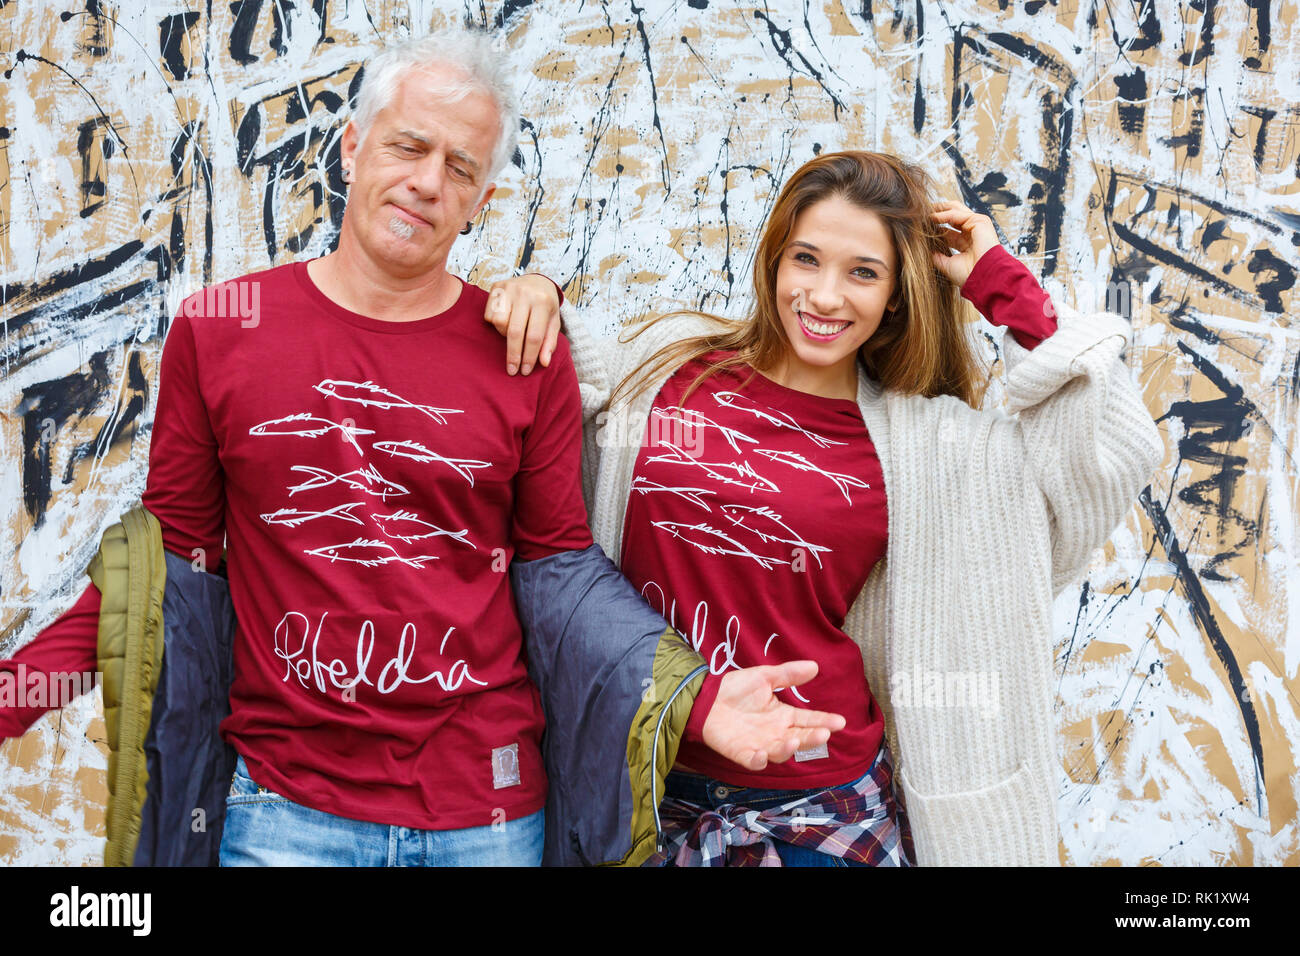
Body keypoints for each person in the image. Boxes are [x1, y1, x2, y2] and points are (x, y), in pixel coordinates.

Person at [0, 28, 845, 867]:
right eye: (408, 146)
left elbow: (561, 567)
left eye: (461, 168)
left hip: (488, 817)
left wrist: (694, 698)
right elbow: (162, 572)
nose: (428, 182)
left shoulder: (522, 350)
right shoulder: (219, 331)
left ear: (481, 199)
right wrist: (15, 695)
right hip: (283, 814)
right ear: (352, 147)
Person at [489, 150, 1166, 865]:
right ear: (776, 261)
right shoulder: (665, 367)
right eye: (806, 260)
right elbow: (548, 389)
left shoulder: (931, 446)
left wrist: (1003, 286)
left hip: (817, 809)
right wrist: (537, 292)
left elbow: (1113, 456)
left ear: (897, 294)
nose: (824, 296)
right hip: (640, 789)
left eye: (863, 273)